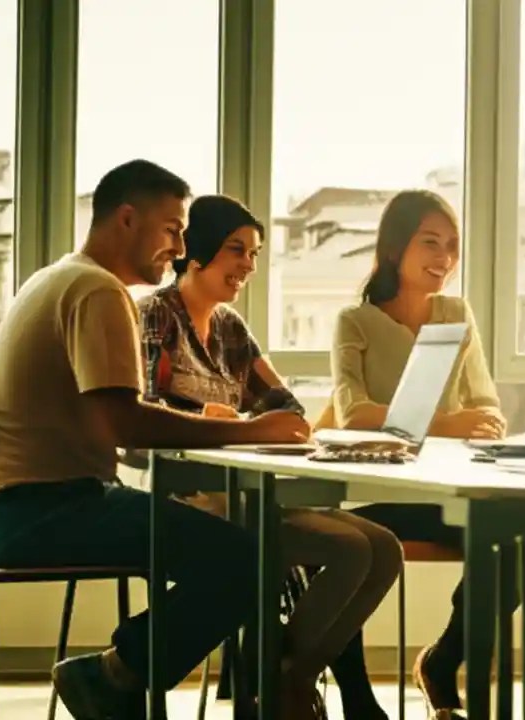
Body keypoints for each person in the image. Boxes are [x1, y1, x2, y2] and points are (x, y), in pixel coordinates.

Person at [0, 160, 310, 719]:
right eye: (172, 229)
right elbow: (126, 424)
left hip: (16, 507)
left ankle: (117, 679)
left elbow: (118, 418)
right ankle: (113, 675)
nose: (179, 249)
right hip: (47, 509)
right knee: (251, 560)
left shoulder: (56, 277)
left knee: (240, 552)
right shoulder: (97, 291)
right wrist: (249, 430)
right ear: (127, 219)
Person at [138, 195, 403, 718]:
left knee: (384, 550)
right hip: (188, 500)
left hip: (248, 495)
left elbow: (287, 409)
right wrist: (215, 418)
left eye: (255, 254)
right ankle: (287, 677)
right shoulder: (155, 315)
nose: (249, 265)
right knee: (351, 550)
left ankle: (287, 674)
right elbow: (144, 407)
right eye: (237, 250)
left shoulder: (231, 328)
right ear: (198, 250)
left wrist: (252, 425)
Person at [310, 189, 509, 720]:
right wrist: (446, 423)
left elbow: (485, 402)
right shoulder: (355, 320)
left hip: (443, 495)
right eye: (430, 242)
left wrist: (486, 423)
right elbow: (354, 413)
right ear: (395, 247)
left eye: (452, 244)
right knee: (343, 550)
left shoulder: (456, 313)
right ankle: (358, 701)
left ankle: (443, 662)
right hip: (375, 499)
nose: (445, 256)